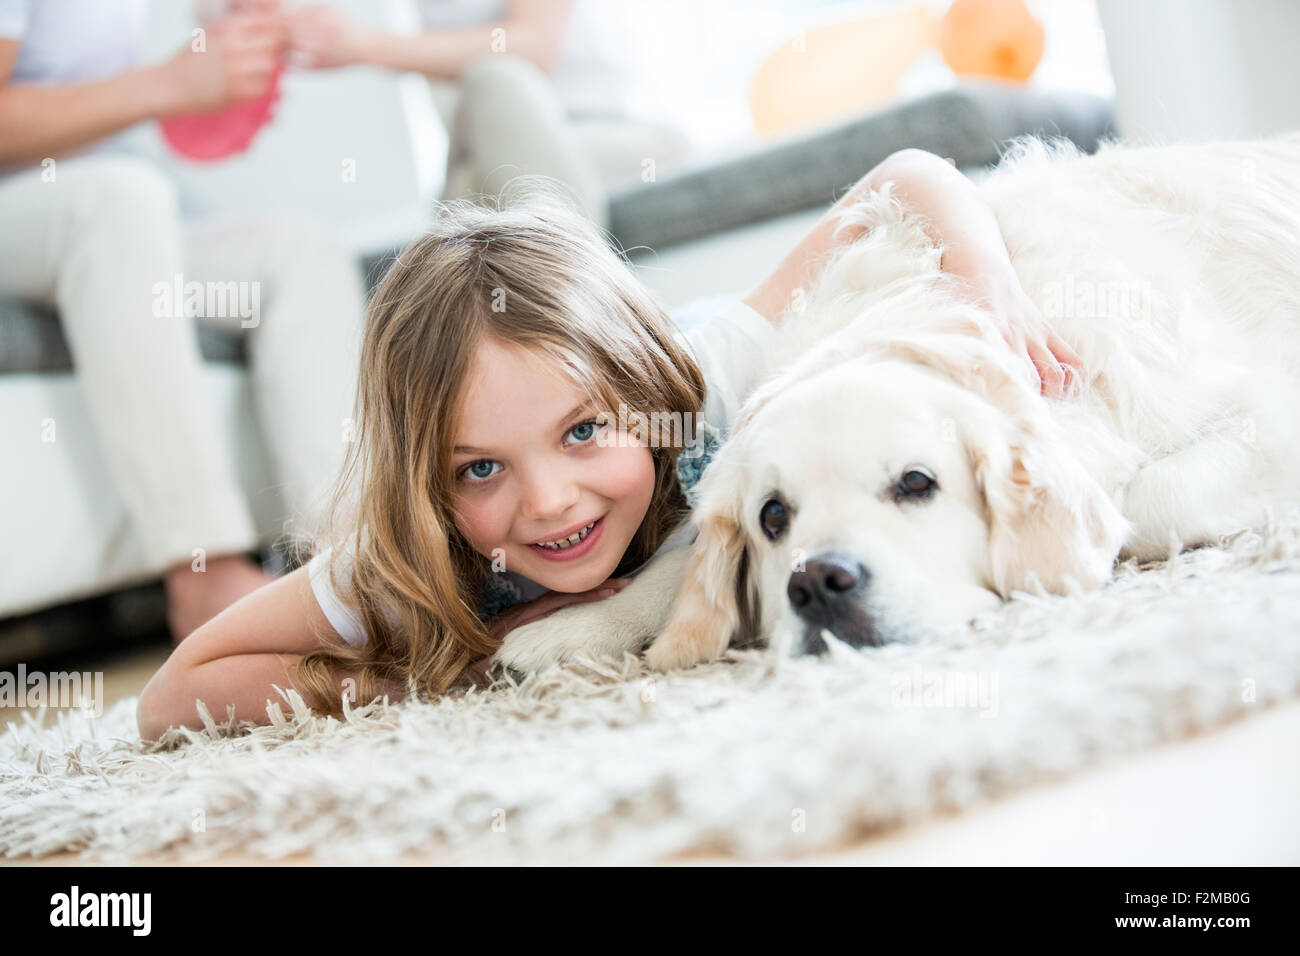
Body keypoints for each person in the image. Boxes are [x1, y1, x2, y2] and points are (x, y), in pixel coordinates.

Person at [136, 145, 1083, 742]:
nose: (548, 500)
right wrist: (414, 678)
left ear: (639, 391)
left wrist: (983, 283)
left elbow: (906, 176)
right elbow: (175, 692)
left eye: (584, 432)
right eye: (480, 468)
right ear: (427, 486)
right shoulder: (411, 550)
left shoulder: (700, 385)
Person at [0, 0, 366, 643]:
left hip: (93, 216)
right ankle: (205, 575)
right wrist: (166, 86)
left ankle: (354, 573)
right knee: (120, 198)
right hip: (62, 211)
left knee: (297, 250)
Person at [285, 0, 692, 228]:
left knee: (493, 80)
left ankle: (580, 322)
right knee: (471, 188)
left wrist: (365, 47)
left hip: (619, 137)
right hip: (497, 163)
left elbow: (533, 46)